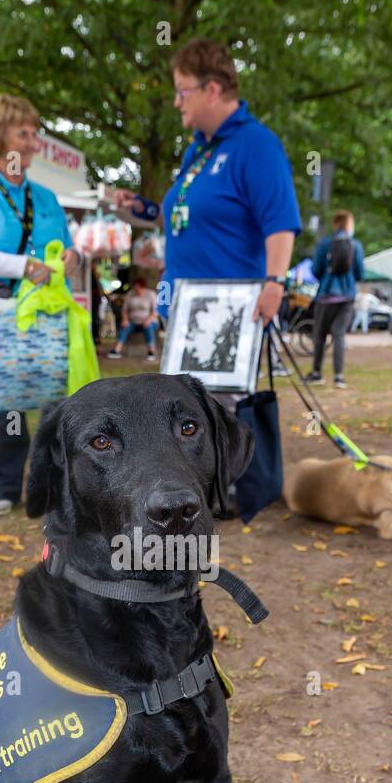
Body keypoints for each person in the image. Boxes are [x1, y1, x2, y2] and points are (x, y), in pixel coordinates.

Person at [108, 37, 301, 510]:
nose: (177, 102)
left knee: (221, 402)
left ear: (212, 89)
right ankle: (195, 489)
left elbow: (280, 221)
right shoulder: (198, 152)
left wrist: (275, 282)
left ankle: (231, 490)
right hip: (187, 301)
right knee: (183, 404)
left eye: (182, 90)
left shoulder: (255, 145)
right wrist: (144, 208)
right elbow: (180, 216)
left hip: (232, 302)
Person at [0, 93, 80, 517]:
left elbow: (67, 245)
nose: (31, 142)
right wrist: (24, 266)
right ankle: (7, 488)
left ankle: (49, 487)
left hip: (44, 304)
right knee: (9, 397)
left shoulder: (45, 197)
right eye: (22, 132)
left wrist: (72, 257)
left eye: (34, 133)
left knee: (52, 396)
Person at [310, 210, 365, 387]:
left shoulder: (325, 243)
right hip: (346, 296)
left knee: (320, 335)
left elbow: (315, 269)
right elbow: (360, 273)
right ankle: (339, 376)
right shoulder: (355, 245)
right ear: (349, 224)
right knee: (339, 335)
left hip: (326, 295)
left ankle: (317, 373)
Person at [107, 275, 159, 360]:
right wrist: (125, 319)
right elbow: (125, 310)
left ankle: (151, 351)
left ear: (143, 287)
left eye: (138, 287)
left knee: (148, 327)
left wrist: (148, 320)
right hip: (133, 321)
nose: (136, 289)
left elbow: (155, 311)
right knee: (124, 326)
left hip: (149, 321)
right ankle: (117, 350)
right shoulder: (130, 294)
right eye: (135, 287)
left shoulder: (151, 294)